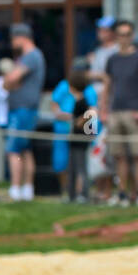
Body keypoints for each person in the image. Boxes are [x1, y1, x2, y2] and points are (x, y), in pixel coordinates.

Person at [3, 23, 46, 202]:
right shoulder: (29, 57)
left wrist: (9, 80)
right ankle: (27, 190)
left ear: (22, 38)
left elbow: (9, 80)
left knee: (13, 150)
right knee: (25, 150)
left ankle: (15, 189)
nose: (12, 43)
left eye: (13, 39)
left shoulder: (31, 56)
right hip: (25, 109)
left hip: (22, 109)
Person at [101, 19, 138, 206]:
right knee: (119, 156)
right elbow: (107, 86)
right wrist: (103, 111)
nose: (124, 38)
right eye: (121, 35)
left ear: (132, 36)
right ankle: (122, 194)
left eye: (127, 34)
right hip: (116, 111)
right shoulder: (112, 59)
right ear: (116, 37)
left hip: (135, 112)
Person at [54, 68, 95, 204]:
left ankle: (83, 194)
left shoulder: (82, 101)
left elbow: (92, 112)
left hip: (80, 140)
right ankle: (71, 194)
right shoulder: (78, 101)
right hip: (74, 139)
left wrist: (80, 121)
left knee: (81, 168)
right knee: (72, 167)